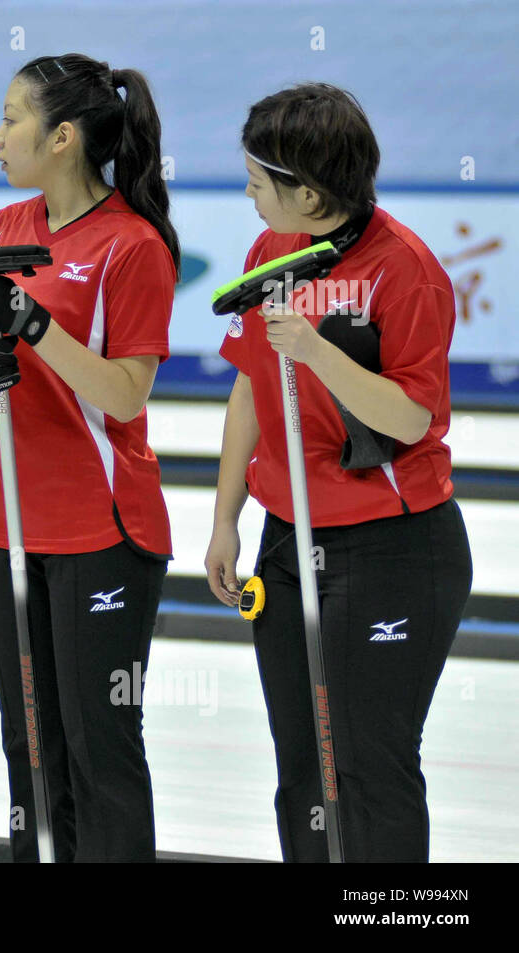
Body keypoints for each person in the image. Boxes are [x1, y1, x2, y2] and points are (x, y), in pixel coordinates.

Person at [204, 83, 472, 862]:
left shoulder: (407, 270)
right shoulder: (268, 254)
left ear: (308, 191)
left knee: (367, 764)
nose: (249, 192)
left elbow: (414, 419)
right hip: (288, 545)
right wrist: (227, 517)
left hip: (389, 550)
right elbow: (250, 383)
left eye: (259, 178)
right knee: (303, 772)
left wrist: (317, 349)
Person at [0, 54, 180, 862]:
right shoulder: (4, 231)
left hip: (103, 530)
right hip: (10, 523)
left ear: (61, 137)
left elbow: (124, 394)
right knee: (31, 749)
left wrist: (37, 328)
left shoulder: (133, 245)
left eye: (12, 116)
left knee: (99, 751)